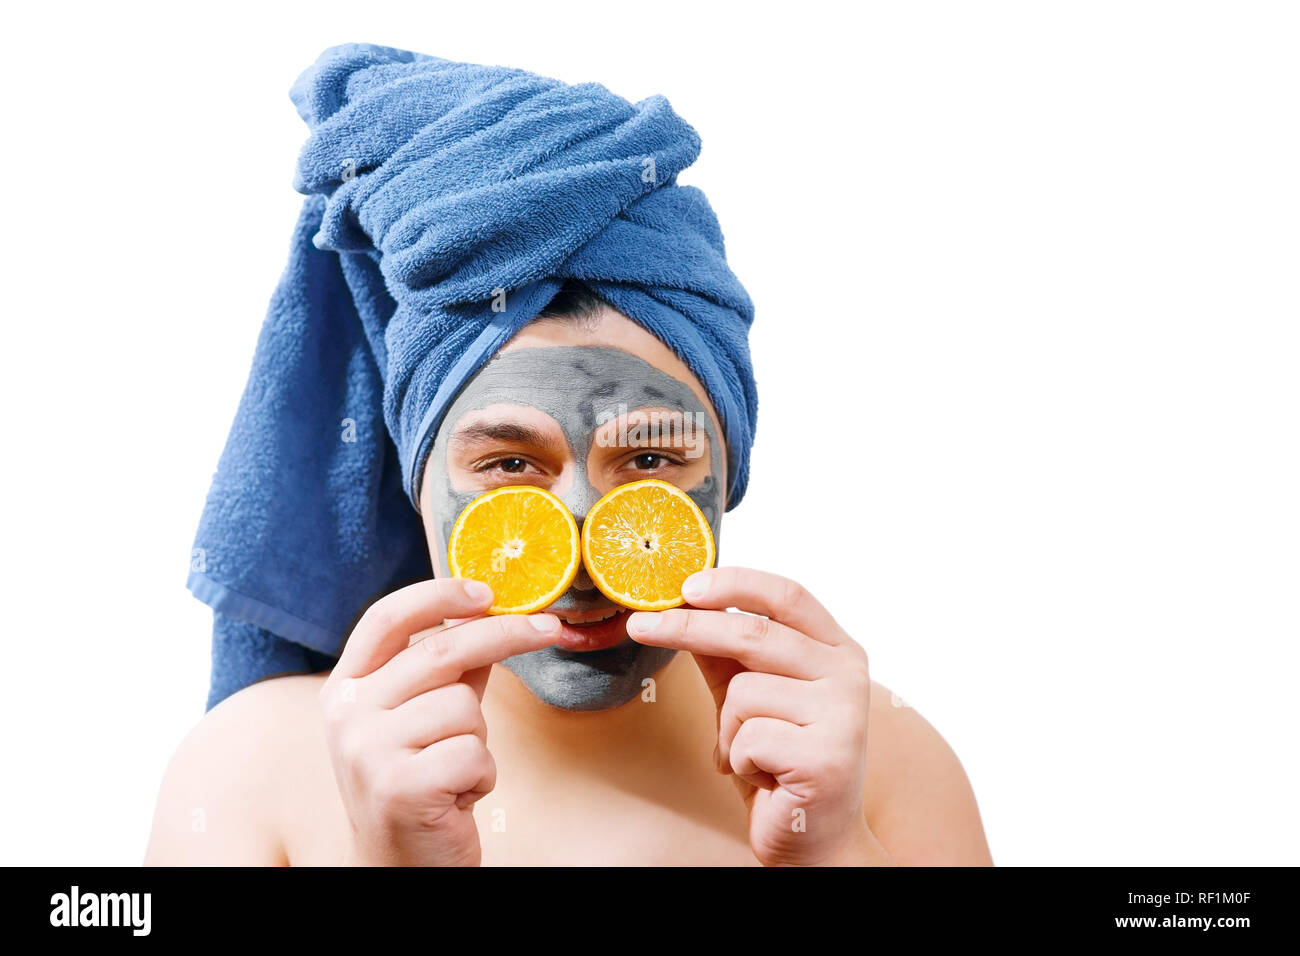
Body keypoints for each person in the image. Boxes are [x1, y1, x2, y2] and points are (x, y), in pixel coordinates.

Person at [145, 44, 992, 866]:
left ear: (730, 471)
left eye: (652, 462)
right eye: (510, 465)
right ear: (418, 482)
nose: (583, 545)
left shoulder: (880, 769)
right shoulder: (248, 771)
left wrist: (838, 853)